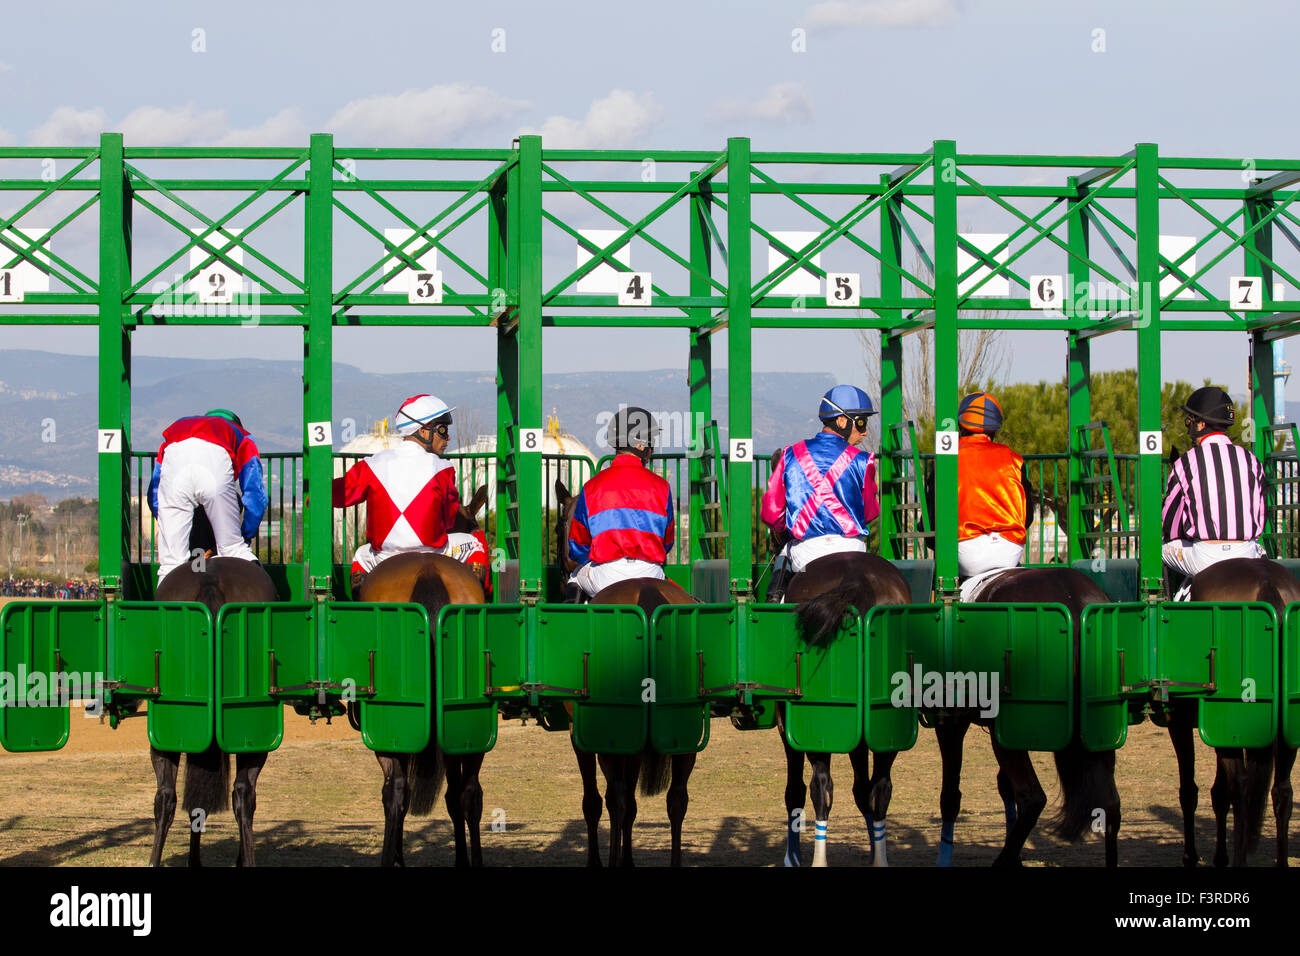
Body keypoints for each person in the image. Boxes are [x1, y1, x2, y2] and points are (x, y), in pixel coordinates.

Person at [334, 394, 486, 593]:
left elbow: (339, 494)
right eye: (442, 430)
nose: (447, 437)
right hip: (435, 551)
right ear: (423, 431)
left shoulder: (371, 465)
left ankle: (363, 608)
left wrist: (312, 498)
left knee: (361, 554)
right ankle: (480, 599)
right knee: (476, 544)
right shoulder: (444, 469)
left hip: (383, 556)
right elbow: (449, 521)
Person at [760, 385, 880, 603]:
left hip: (806, 551)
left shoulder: (789, 454)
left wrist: (786, 526)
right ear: (842, 421)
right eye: (861, 422)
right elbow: (870, 513)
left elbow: (771, 515)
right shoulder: (864, 460)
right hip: (852, 550)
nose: (864, 431)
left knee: (785, 551)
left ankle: (774, 602)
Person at [1161, 385, 1265, 600]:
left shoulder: (1186, 462)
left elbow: (1169, 524)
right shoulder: (1251, 460)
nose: (1189, 425)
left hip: (1205, 557)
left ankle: (1167, 606)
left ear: (1201, 423)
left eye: (1190, 420)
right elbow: (1260, 515)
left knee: (1157, 550)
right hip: (1248, 552)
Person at [148, 409, 266, 585]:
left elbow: (154, 494)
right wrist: (245, 536)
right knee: (234, 549)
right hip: (214, 478)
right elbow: (255, 494)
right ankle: (261, 602)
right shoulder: (241, 435)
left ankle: (168, 608)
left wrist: (169, 525)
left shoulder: (179, 429)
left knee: (171, 563)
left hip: (177, 482)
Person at [566, 406, 674, 599]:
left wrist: (598, 556)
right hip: (650, 572)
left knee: (574, 577)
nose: (652, 448)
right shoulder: (662, 486)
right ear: (640, 445)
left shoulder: (592, 487)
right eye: (651, 441)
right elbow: (667, 542)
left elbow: (577, 545)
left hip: (606, 575)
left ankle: (571, 626)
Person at [954, 391, 1033, 600]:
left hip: (968, 553)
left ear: (961, 425)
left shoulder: (947, 458)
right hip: (1010, 551)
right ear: (995, 429)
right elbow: (1029, 515)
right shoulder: (1014, 459)